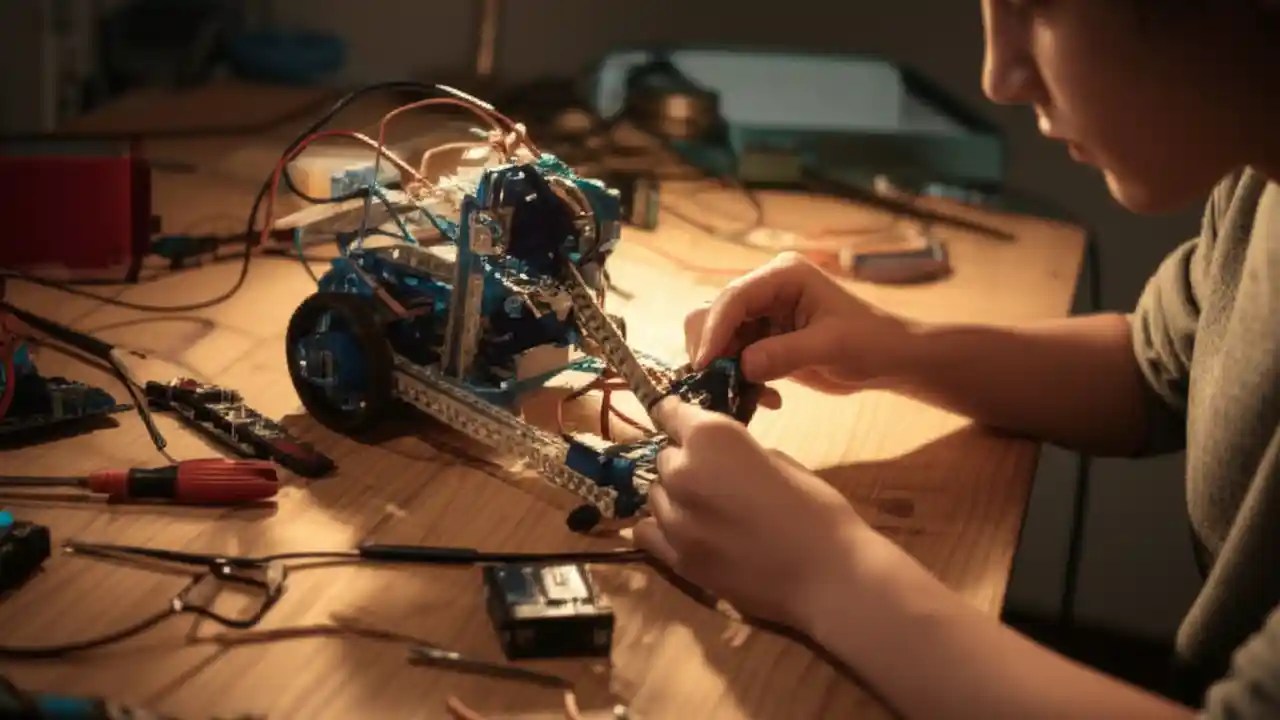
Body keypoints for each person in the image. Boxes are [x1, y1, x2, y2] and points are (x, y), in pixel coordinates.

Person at [630, 0, 1280, 717]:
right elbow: (1158, 370)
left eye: (1036, 7)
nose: (999, 77)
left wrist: (828, 575)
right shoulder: (1260, 175)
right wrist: (896, 347)